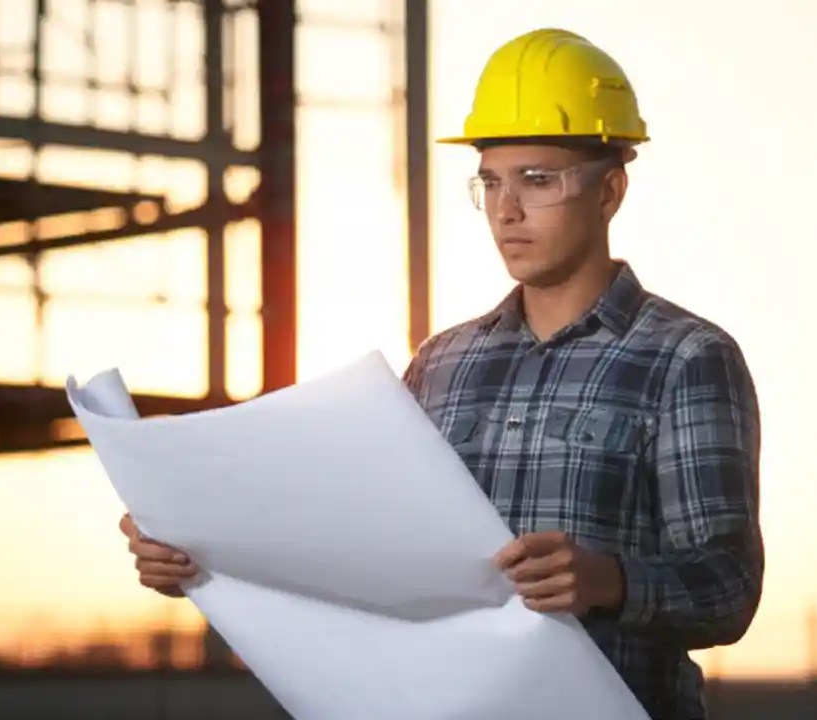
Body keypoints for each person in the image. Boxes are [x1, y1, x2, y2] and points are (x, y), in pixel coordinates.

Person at [119, 27, 763, 719]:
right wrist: (201, 556)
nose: (506, 210)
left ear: (610, 192)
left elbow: (727, 590)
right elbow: (360, 551)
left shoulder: (685, 358)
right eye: (490, 183)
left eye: (537, 181)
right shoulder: (442, 365)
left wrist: (609, 581)